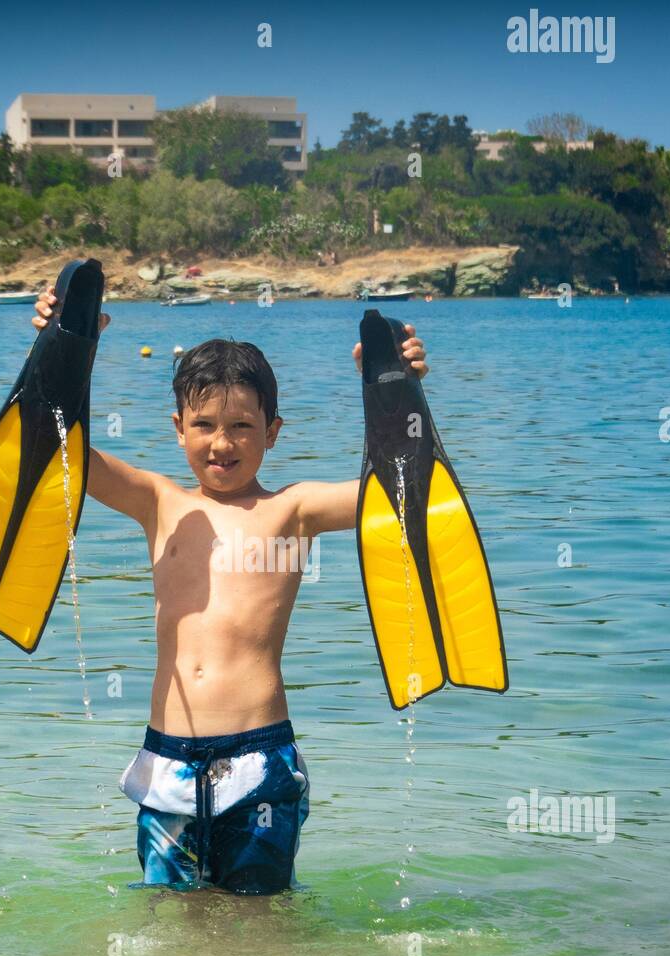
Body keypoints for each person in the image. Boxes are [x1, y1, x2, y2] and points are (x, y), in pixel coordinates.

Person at [31, 289, 428, 893]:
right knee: (167, 918)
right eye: (205, 425)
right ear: (177, 428)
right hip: (166, 761)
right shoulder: (159, 503)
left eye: (243, 426)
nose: (223, 443)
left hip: (260, 758)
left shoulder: (293, 510)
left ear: (273, 431)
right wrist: (63, 347)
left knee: (260, 919)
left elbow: (403, 490)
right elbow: (60, 450)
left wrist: (396, 388)